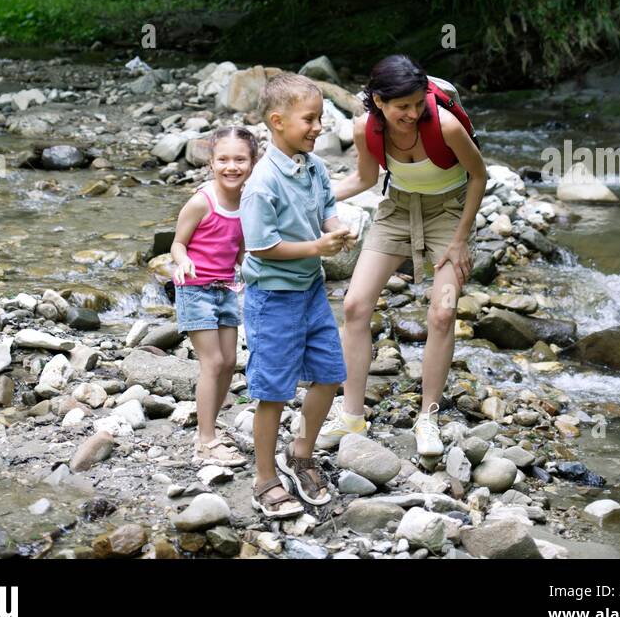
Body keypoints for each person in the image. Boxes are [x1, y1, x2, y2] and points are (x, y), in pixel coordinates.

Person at [318, 54, 486, 458]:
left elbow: (479, 175)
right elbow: (365, 178)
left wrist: (461, 240)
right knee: (356, 306)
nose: (412, 113)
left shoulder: (444, 125)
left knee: (443, 313)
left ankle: (428, 417)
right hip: (396, 212)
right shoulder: (365, 129)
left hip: (451, 213)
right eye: (402, 107)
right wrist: (314, 199)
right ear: (378, 102)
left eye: (417, 103)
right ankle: (352, 414)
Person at [240, 71, 353, 518]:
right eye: (310, 119)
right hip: (273, 297)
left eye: (321, 118)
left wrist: (336, 229)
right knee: (273, 390)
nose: (319, 126)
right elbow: (261, 246)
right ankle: (264, 478)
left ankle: (301, 452)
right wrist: (317, 248)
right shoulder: (262, 184)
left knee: (329, 374)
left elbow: (327, 209)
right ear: (277, 121)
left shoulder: (315, 167)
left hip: (310, 291)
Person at [170, 126, 258, 467]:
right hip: (194, 289)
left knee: (229, 363)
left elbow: (238, 249)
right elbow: (178, 243)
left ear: (253, 162)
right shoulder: (201, 202)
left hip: (225, 289)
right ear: (211, 163)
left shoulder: (248, 201)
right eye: (223, 159)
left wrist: (252, 267)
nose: (231, 167)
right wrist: (184, 260)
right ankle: (204, 441)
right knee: (214, 363)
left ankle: (210, 427)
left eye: (240, 159)